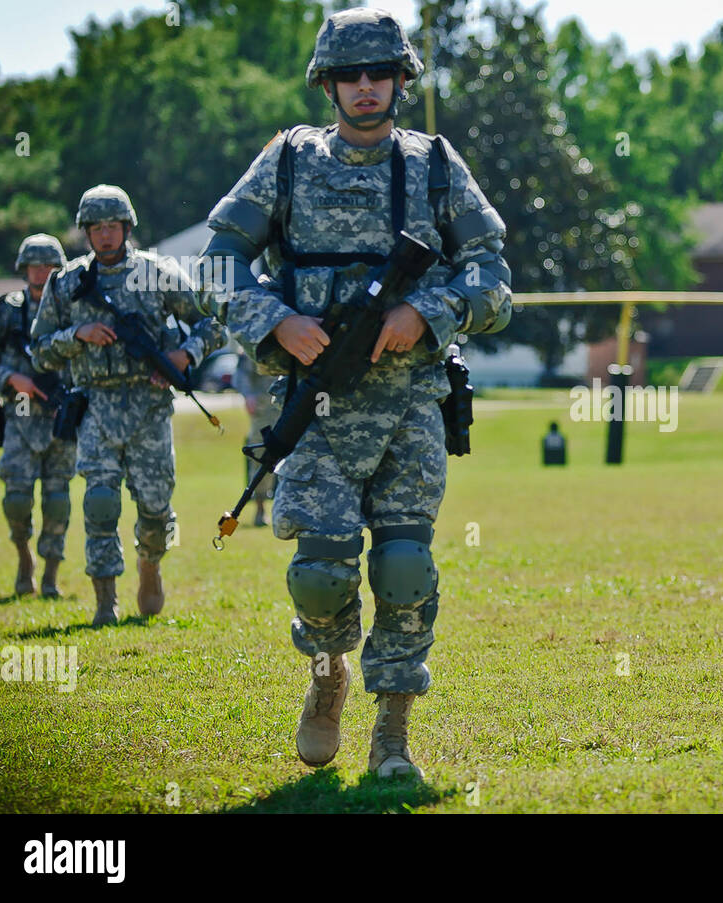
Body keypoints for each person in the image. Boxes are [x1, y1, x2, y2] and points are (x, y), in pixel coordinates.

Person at [198, 6, 511, 778]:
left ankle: (394, 735)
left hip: (409, 405)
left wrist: (425, 311)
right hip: (316, 407)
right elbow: (216, 267)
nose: (366, 88)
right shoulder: (287, 163)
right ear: (328, 84)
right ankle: (328, 672)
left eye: (380, 73)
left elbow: (494, 278)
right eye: (350, 76)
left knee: (404, 569)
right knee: (320, 573)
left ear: (401, 79)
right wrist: (276, 320)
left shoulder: (436, 164)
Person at [30, 185, 226, 626]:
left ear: (127, 228)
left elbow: (212, 322)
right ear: (85, 232)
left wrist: (183, 355)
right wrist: (74, 337)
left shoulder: (158, 272)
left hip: (150, 406)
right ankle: (106, 601)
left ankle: (150, 563)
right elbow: (38, 351)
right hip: (95, 406)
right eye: (96, 228)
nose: (104, 235)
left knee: (156, 508)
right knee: (100, 502)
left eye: (112, 226)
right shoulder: (68, 283)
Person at [0, 234, 73, 596]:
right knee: (16, 499)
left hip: (62, 421)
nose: (41, 271)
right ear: (23, 269)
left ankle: (50, 573)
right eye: (35, 265)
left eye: (48, 265)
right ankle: (23, 556)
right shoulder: (6, 310)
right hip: (18, 416)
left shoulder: (71, 308)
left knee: (57, 501)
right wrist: (10, 378)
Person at [233, 352, 280, 527]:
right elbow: (242, 373)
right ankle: (260, 510)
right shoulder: (258, 337)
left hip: (289, 406)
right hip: (263, 408)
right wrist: (248, 395)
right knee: (261, 458)